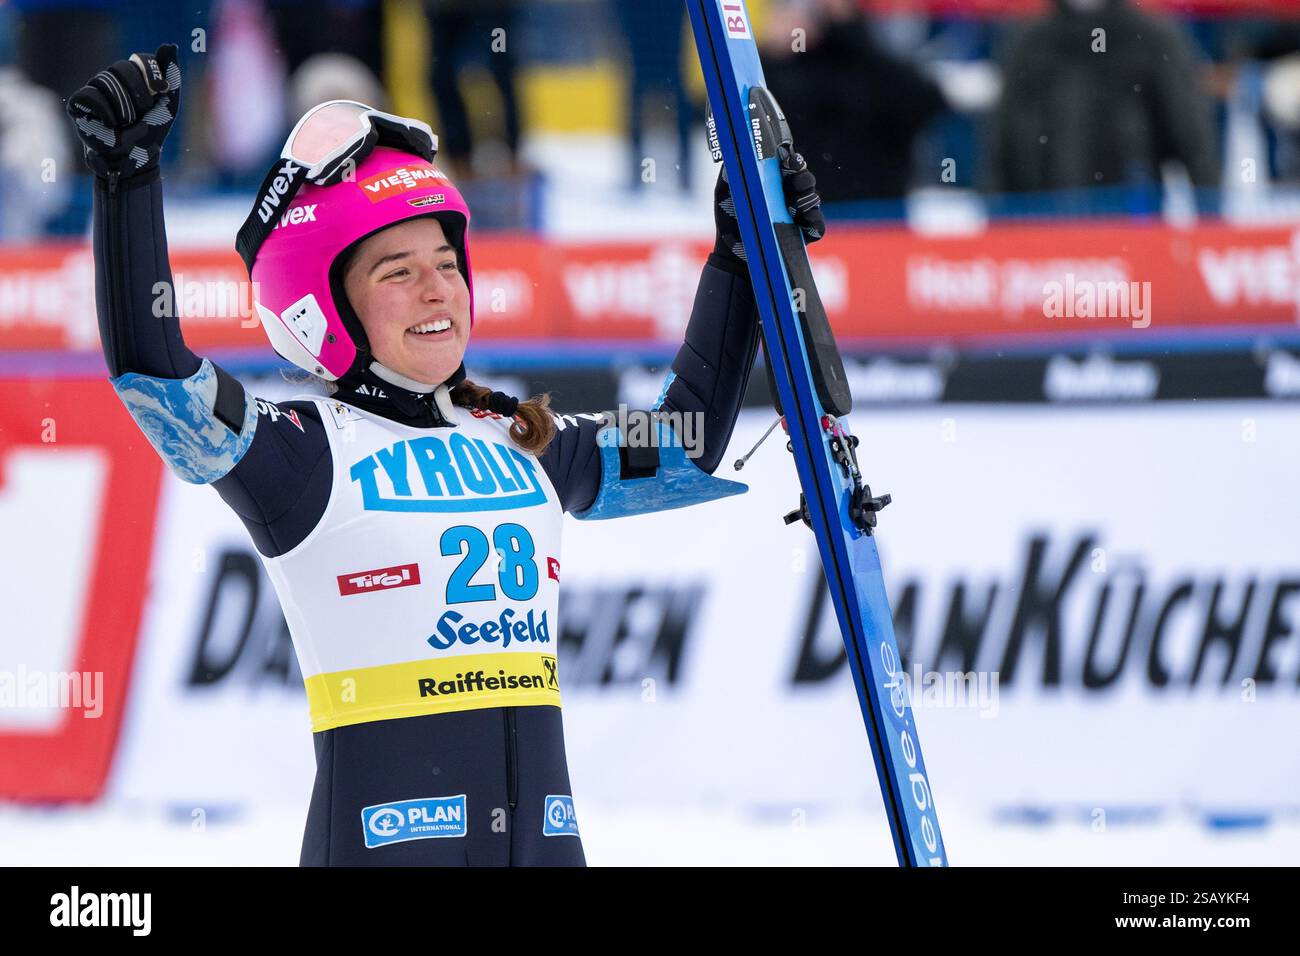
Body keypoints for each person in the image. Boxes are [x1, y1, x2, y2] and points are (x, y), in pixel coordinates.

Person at [65, 44, 825, 866]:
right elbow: (159, 380)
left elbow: (679, 448)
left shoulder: (517, 432)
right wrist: (127, 176)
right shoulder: (303, 452)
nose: (438, 290)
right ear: (322, 308)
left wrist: (740, 257)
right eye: (397, 272)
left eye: (447, 265)